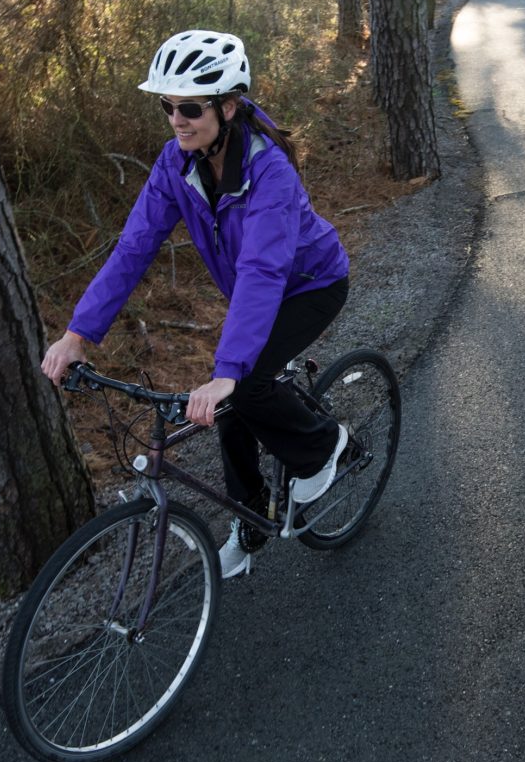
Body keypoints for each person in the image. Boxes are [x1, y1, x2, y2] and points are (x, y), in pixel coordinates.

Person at [42, 29, 351, 578]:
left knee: (245, 383)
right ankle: (252, 520)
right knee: (234, 398)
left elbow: (262, 270)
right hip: (257, 296)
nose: (176, 119)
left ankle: (326, 443)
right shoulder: (175, 164)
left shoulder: (269, 171)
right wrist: (78, 333)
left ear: (229, 107)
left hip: (309, 285)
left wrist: (230, 371)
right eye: (167, 107)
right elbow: (134, 247)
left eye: (189, 107)